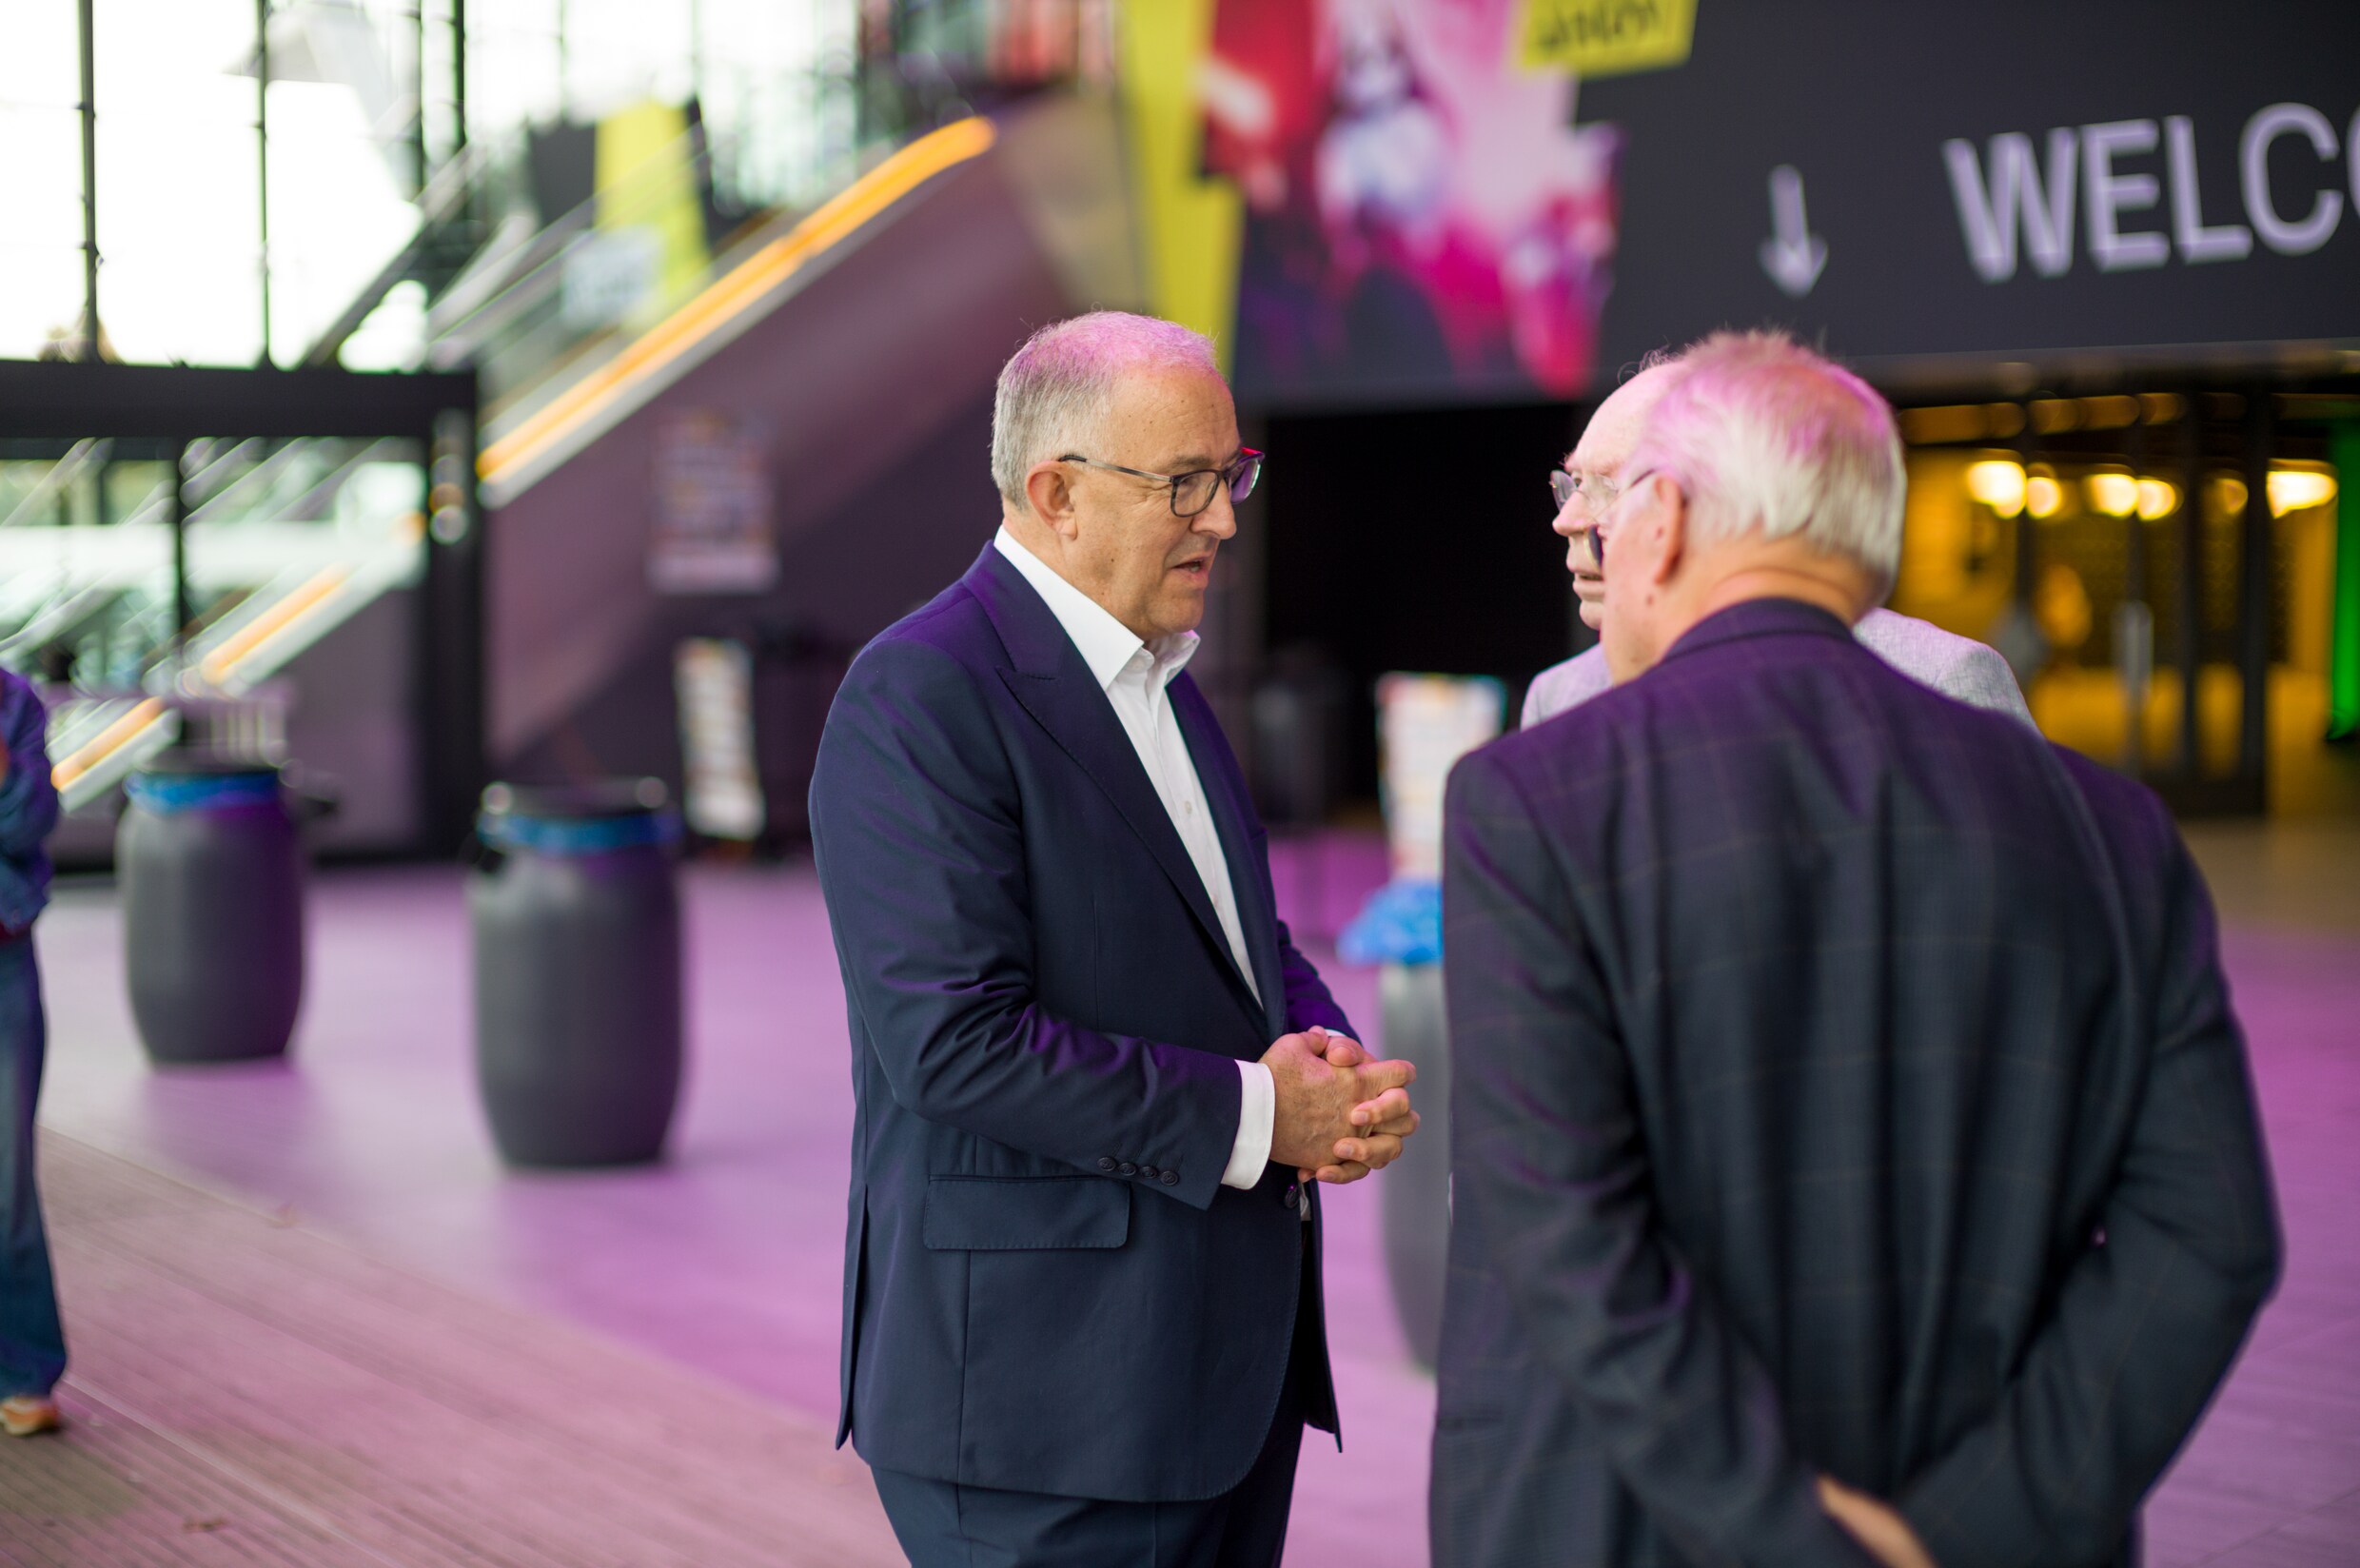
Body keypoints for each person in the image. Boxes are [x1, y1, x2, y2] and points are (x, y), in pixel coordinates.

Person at [1432, 330, 2279, 1567]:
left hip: (1633, 1523)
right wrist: (1987, 1522)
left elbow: (1557, 1231)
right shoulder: (2118, 827)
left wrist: (1797, 1540)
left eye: (1601, 501)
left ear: (1661, 522)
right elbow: (2210, 1233)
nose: (1581, 530)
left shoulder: (1536, 800)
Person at [809, 311, 1420, 1567]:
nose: (1226, 520)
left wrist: (1328, 1063)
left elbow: (1238, 940)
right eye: (1186, 483)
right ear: (1056, 494)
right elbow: (956, 1045)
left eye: (1231, 474)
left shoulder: (1162, 682)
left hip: (1211, 1382)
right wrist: (1263, 1118)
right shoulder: (921, 692)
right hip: (1048, 1411)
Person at [1522, 355, 2033, 729]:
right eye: (1572, 483)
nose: (1566, 519)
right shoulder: (1561, 698)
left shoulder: (1939, 681)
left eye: (1607, 486)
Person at [0, 670, 63, 1439]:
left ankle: (23, 1369)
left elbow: (27, 823)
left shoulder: (13, 704)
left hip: (3, 958)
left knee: (6, 1179)